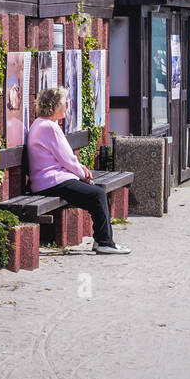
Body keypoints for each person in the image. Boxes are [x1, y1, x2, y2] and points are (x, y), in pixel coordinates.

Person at [27, 87, 130, 255]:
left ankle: (101, 240)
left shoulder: (42, 124)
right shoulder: (49, 127)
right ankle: (105, 242)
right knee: (97, 194)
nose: (67, 106)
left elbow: (63, 157)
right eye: (64, 103)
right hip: (51, 181)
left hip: (50, 179)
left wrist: (80, 171)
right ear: (55, 106)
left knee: (96, 192)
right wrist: (82, 174)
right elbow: (66, 158)